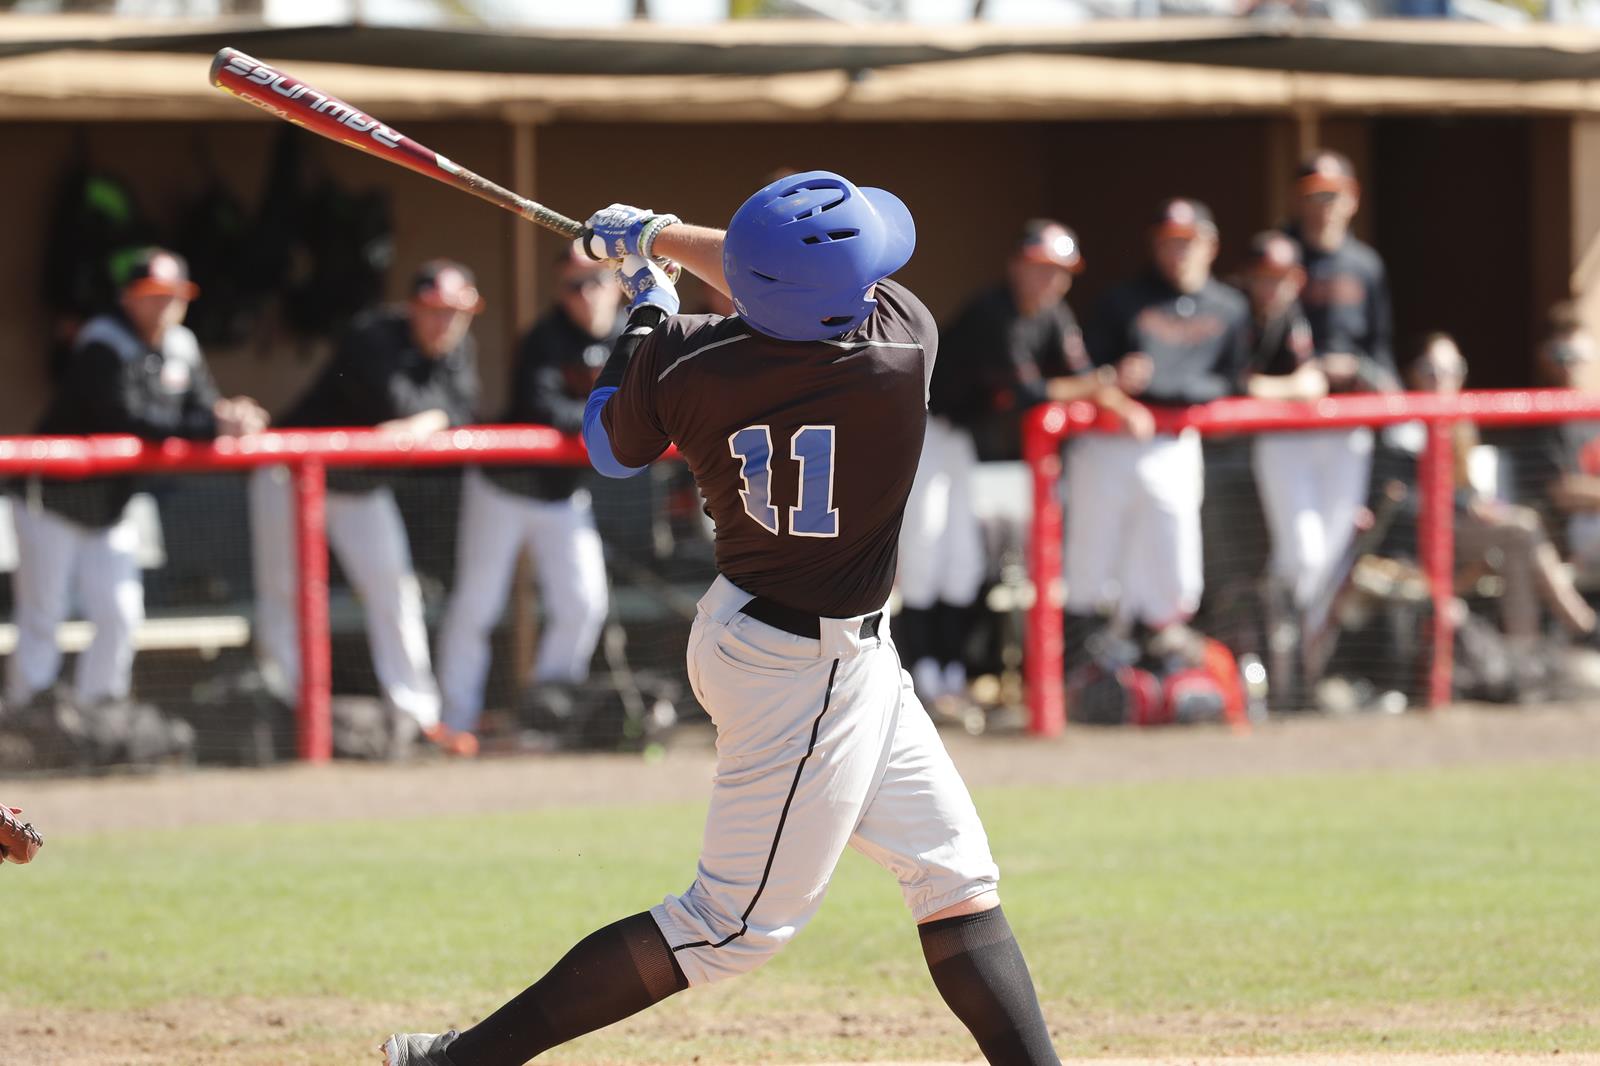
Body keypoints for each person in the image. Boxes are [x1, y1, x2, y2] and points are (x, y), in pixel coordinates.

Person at [383, 172, 1061, 1065]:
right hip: (803, 675)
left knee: (954, 877)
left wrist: (646, 302)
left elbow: (608, 444)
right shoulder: (903, 343)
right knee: (728, 927)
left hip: (782, 642)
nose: (875, 280)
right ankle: (458, 1062)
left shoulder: (686, 359)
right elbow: (779, 285)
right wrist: (661, 235)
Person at [902, 219, 1150, 714]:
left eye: (1060, 271)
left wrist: (1119, 401)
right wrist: (1106, 383)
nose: (1050, 280)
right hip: (921, 427)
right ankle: (921, 676)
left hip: (960, 436)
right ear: (1017, 265)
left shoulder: (1054, 314)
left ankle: (952, 676)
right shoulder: (994, 311)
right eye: (1040, 268)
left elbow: (1080, 375)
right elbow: (1027, 395)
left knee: (963, 562)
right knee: (924, 553)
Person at [4, 248, 267, 714]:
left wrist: (229, 416)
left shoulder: (181, 344)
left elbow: (201, 405)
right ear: (128, 297)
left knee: (121, 613)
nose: (164, 304)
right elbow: (128, 418)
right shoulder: (103, 341)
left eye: (174, 294)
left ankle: (100, 714)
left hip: (113, 503)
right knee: (44, 615)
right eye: (152, 294)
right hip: (52, 499)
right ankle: (28, 716)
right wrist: (210, 426)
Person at [250, 260, 482, 757]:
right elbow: (394, 403)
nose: (446, 323)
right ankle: (289, 714)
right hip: (291, 474)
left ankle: (417, 719)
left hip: (359, 486)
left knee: (395, 593)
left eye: (456, 313)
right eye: (435, 310)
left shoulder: (458, 348)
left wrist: (429, 420)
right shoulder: (373, 336)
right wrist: (431, 416)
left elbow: (465, 409)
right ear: (412, 307)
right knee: (285, 595)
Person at [434, 252, 621, 738]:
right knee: (479, 605)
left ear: (617, 284)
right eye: (572, 286)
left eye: (594, 282)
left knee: (583, 603)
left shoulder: (630, 336)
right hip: (504, 488)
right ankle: (455, 721)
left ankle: (547, 716)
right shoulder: (544, 338)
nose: (584, 296)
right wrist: (611, 416)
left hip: (565, 495)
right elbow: (545, 410)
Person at [1066, 198, 1250, 647]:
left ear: (1210, 245)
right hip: (1110, 442)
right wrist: (1115, 385)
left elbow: (1235, 379)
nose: (1179, 251)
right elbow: (1082, 375)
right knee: (1094, 566)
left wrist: (1180, 388)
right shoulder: (1122, 300)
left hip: (1175, 440)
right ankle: (1088, 661)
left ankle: (1156, 661)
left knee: (1172, 569)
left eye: (1188, 241)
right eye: (1169, 242)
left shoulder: (1230, 306)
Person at [1408, 334, 1595, 657]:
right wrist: (1469, 505)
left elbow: (1466, 488)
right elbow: (1406, 496)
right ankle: (1583, 625)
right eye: (1432, 371)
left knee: (1517, 544)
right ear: (1414, 374)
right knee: (1522, 528)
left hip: (1468, 530)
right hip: (1423, 537)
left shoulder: (1461, 421)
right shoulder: (1402, 422)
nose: (1443, 379)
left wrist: (1482, 505)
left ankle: (1524, 653)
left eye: (1453, 369)